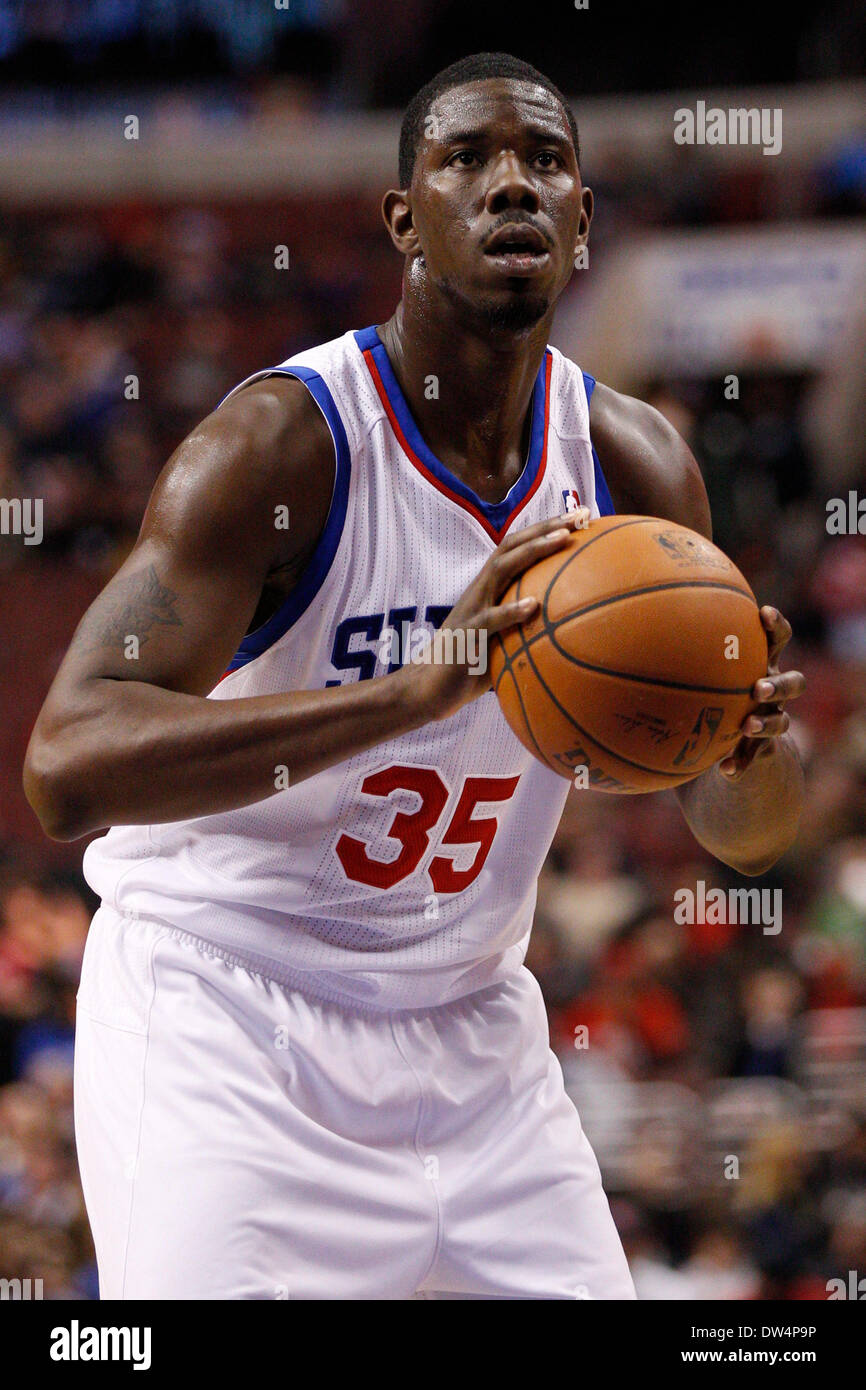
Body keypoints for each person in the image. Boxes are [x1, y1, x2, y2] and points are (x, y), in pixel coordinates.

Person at [24, 52, 805, 1299]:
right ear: (405, 219)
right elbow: (64, 769)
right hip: (229, 1008)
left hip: (472, 1029)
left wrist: (745, 745)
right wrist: (405, 694)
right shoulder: (281, 445)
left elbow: (746, 839)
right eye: (467, 160)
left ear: (583, 220)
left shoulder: (636, 468)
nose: (512, 187)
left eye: (545, 162)